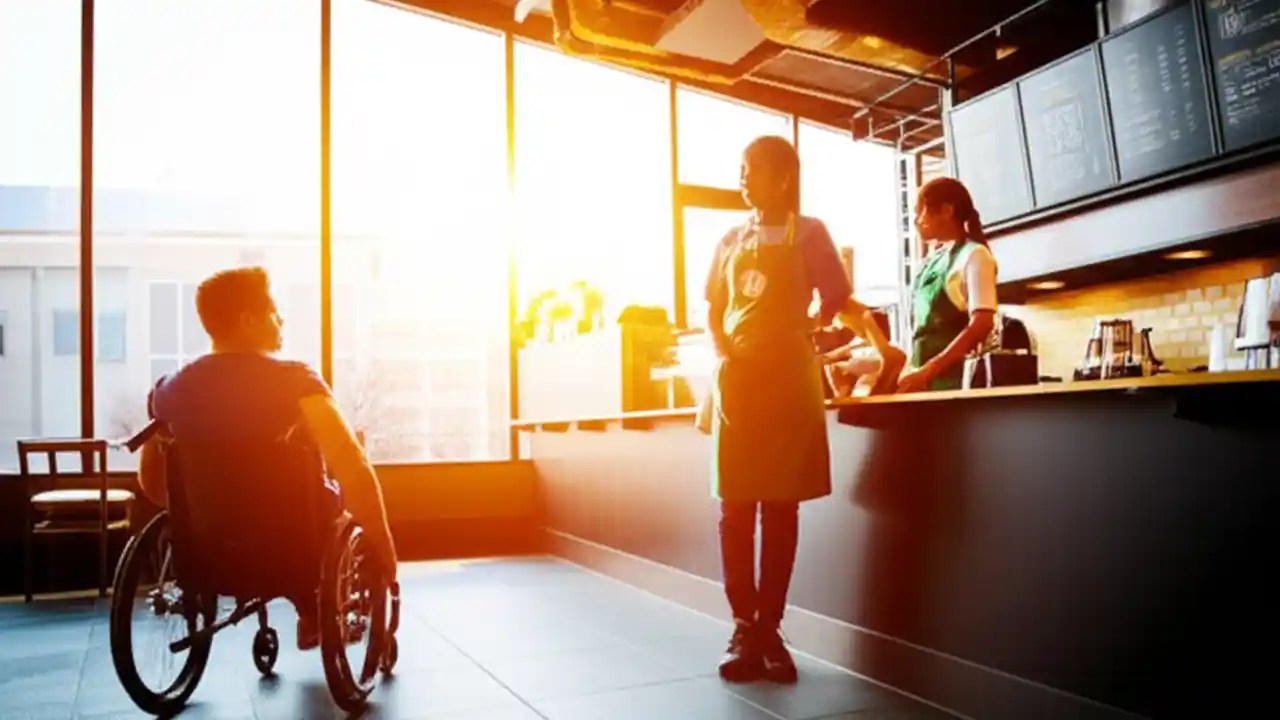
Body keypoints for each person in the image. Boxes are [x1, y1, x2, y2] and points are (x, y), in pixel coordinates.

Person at [704, 135, 906, 684]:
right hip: (739, 385)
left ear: (784, 176)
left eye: (751, 170)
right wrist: (726, 360)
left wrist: (863, 338)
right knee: (735, 510)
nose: (742, 179)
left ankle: (769, 629)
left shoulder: (811, 233)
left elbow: (837, 302)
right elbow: (714, 312)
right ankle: (743, 626)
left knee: (781, 508)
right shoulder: (727, 239)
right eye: (741, 170)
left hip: (790, 382)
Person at [135, 266, 398, 650]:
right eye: (274, 313)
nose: (282, 321)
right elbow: (351, 464)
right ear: (248, 321)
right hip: (292, 546)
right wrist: (384, 548)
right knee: (321, 492)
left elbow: (154, 486)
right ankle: (311, 612)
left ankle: (307, 607)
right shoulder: (295, 382)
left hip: (206, 549)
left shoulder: (168, 392)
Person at [896, 177, 999, 393]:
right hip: (920, 382)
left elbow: (982, 324)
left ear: (946, 210)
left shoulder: (975, 255)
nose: (917, 221)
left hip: (956, 385)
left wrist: (928, 370)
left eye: (921, 211)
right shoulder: (929, 262)